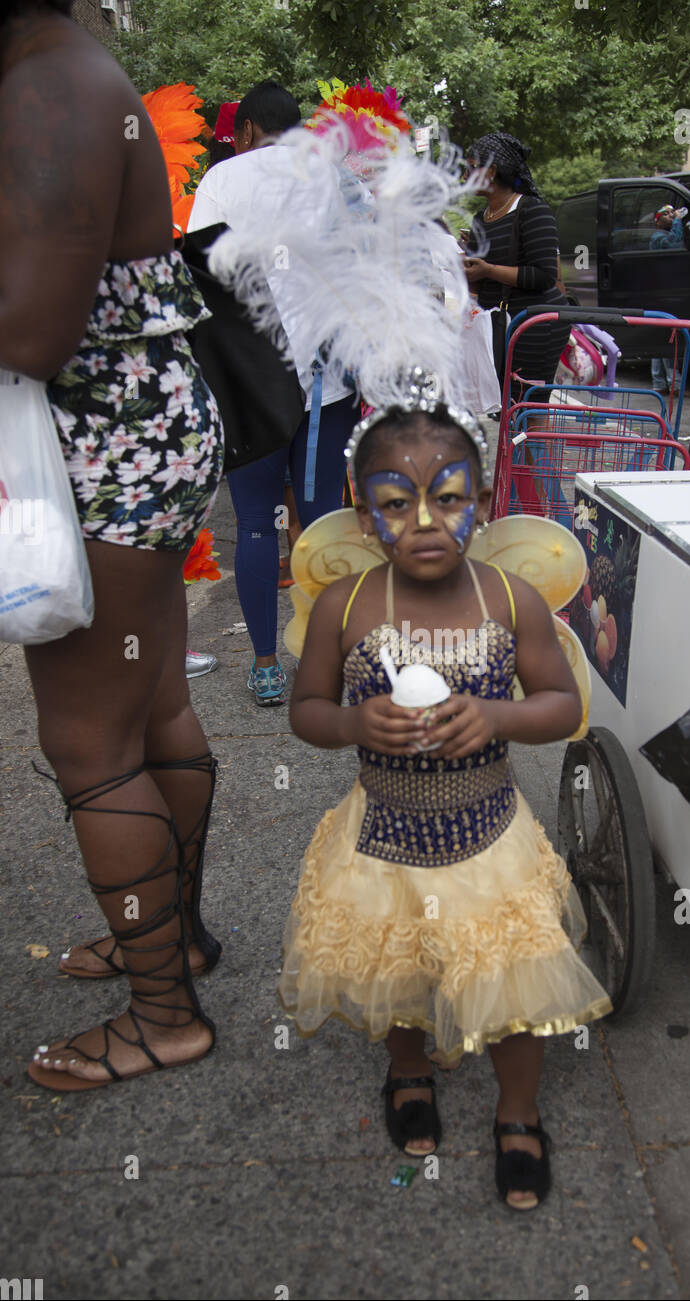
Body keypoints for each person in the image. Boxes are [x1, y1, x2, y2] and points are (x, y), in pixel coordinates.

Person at [282, 401, 612, 1209]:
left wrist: (497, 716)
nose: (425, 521)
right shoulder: (346, 606)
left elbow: (562, 706)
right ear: (365, 512)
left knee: (512, 983)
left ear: (486, 501)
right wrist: (356, 722)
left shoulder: (509, 600)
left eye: (450, 499)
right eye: (398, 503)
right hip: (383, 841)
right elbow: (307, 711)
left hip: (487, 842)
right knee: (394, 966)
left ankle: (519, 1112)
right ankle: (408, 1069)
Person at [1, 0, 223, 1088]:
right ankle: (172, 940)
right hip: (143, 435)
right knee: (156, 707)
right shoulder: (69, 71)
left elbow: (30, 330)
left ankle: (162, 1013)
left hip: (106, 450)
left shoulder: (48, 86)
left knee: (91, 746)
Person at [188, 81, 362, 707]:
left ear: (244, 133)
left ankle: (266, 666)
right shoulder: (338, 181)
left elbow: (204, 287)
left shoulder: (222, 182)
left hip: (251, 385)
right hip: (329, 384)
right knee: (320, 526)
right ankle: (326, 668)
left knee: (258, 525)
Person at [462, 132, 570, 399]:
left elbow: (545, 275)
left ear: (492, 171)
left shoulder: (532, 210)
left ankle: (531, 444)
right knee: (506, 407)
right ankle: (511, 444)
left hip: (534, 326)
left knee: (529, 407)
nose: (464, 176)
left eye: (470, 167)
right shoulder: (480, 218)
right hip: (497, 326)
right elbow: (476, 279)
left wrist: (488, 269)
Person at [649, 204, 688, 397]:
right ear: (657, 220)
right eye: (667, 214)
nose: (671, 216)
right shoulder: (659, 238)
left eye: (673, 213)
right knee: (668, 339)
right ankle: (675, 385)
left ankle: (659, 383)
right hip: (664, 294)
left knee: (660, 340)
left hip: (660, 291)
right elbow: (675, 243)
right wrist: (679, 221)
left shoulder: (658, 237)